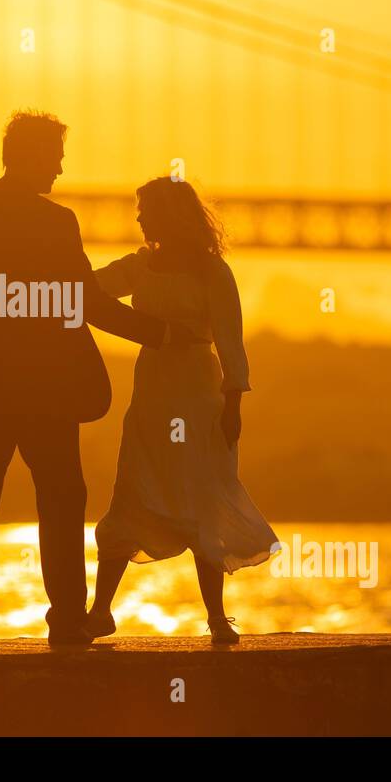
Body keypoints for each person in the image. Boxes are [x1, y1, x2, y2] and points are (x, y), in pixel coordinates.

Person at [0, 111, 194, 646]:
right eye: (56, 156)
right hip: (45, 386)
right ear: (33, 156)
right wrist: (161, 333)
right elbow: (84, 302)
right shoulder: (56, 222)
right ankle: (66, 617)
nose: (61, 169)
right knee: (62, 494)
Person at [87, 177, 279, 645]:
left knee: (203, 502)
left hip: (198, 392)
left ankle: (216, 617)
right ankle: (99, 611)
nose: (138, 218)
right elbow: (92, 287)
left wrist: (233, 402)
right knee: (132, 492)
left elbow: (231, 343)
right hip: (152, 392)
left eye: (145, 209)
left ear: (169, 215)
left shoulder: (213, 273)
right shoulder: (143, 265)